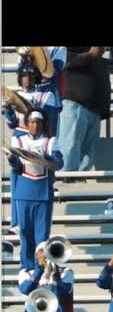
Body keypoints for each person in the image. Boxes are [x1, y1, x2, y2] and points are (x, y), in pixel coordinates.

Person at [7, 111, 63, 272]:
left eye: (38, 122)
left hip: (43, 192)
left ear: (43, 124)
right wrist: (11, 159)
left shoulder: (50, 142)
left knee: (42, 235)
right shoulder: (18, 140)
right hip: (24, 192)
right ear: (27, 123)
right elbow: (18, 167)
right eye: (32, 122)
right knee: (25, 233)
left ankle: (41, 268)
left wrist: (46, 158)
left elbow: (59, 163)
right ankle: (26, 268)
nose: (35, 125)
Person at [60, 47, 113, 171]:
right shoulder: (69, 50)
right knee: (70, 147)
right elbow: (66, 61)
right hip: (75, 105)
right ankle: (66, 181)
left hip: (95, 109)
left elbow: (100, 63)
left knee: (88, 154)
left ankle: (80, 182)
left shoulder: (95, 53)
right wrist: (91, 54)